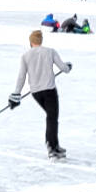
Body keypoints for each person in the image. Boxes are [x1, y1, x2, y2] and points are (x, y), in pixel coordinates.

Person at [8, 30, 71, 159]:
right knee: (52, 118)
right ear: (40, 41)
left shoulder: (25, 56)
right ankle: (52, 147)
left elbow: (21, 77)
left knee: (51, 117)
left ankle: (55, 145)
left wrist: (16, 94)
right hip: (49, 91)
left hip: (36, 93)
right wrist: (68, 66)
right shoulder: (50, 51)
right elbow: (63, 68)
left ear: (31, 42)